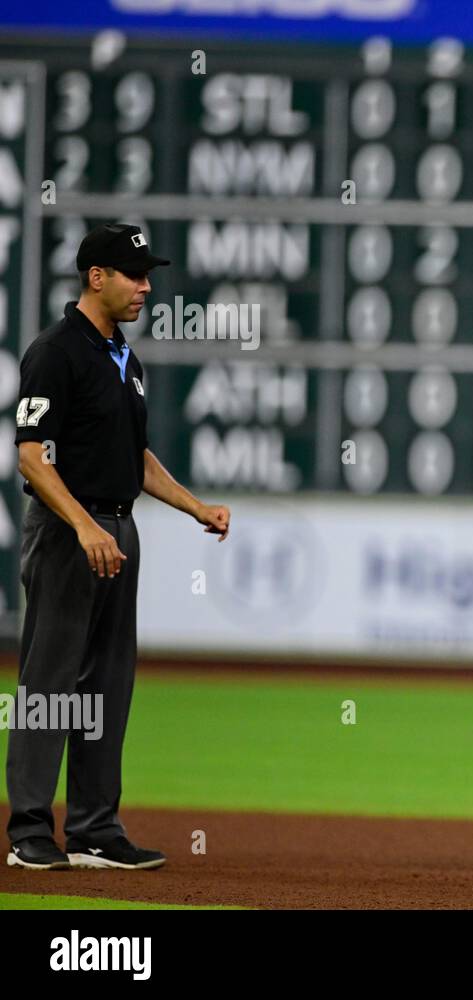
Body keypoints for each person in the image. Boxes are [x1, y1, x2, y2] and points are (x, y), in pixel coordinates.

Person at [5, 223, 231, 872]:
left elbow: (133, 458)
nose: (146, 286)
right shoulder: (55, 351)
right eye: (134, 274)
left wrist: (195, 508)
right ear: (95, 277)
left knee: (106, 684)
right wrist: (82, 525)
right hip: (67, 532)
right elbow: (31, 457)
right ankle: (28, 832)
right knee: (50, 684)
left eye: (148, 274)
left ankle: (95, 828)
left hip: (115, 530)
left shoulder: (122, 356)